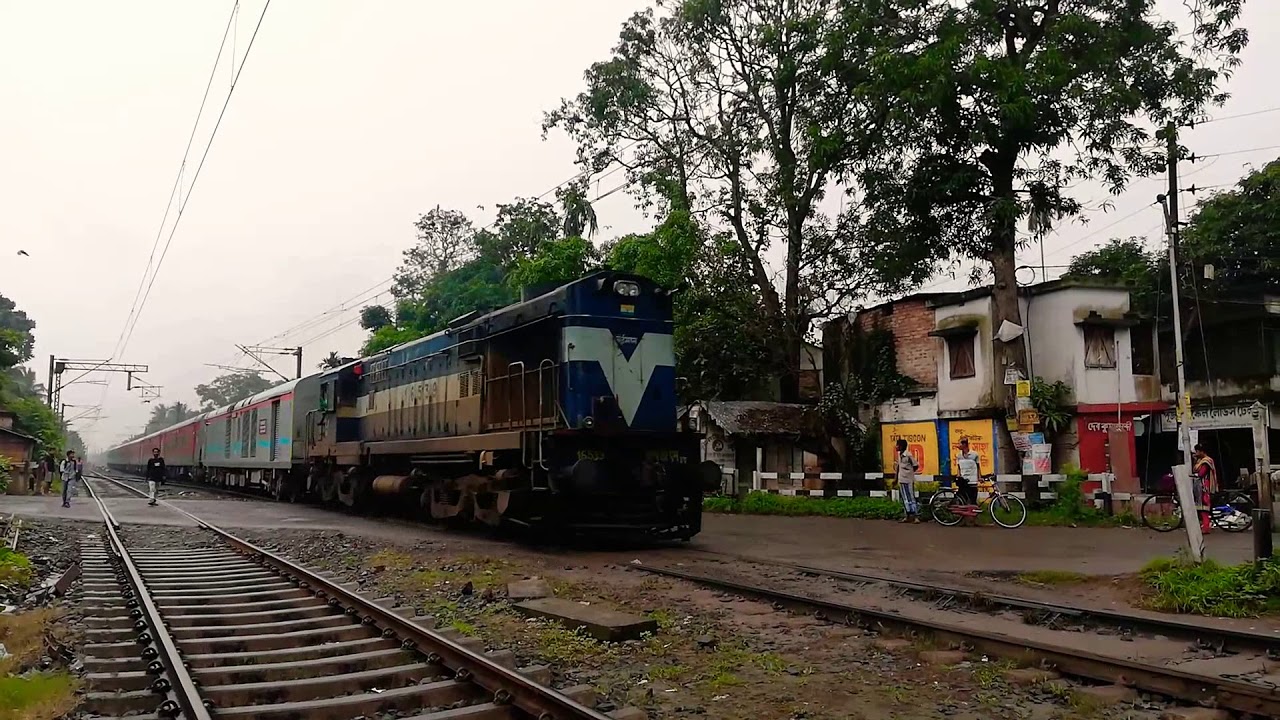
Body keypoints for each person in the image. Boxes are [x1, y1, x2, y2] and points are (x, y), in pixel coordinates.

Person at [1193, 444, 1218, 534]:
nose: (1196, 453)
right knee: (1202, 507)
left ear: (1202, 452)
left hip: (1204, 486)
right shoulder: (1200, 461)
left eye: (1197, 451)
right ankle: (1205, 525)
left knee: (1204, 507)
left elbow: (1201, 473)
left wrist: (1194, 475)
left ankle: (1206, 527)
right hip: (1200, 485)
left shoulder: (1207, 461)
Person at [895, 438, 921, 523]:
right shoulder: (899, 455)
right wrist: (895, 479)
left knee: (911, 498)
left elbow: (915, 465)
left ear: (901, 446)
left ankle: (916, 516)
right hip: (901, 479)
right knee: (904, 498)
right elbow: (898, 467)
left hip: (908, 480)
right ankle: (907, 516)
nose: (896, 447)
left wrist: (909, 473)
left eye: (897, 445)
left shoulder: (908, 455)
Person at [954, 437, 982, 505]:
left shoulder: (974, 454)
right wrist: (958, 475)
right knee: (962, 499)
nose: (958, 446)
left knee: (973, 499)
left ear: (964, 444)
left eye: (959, 444)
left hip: (972, 480)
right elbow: (959, 467)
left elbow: (978, 466)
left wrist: (979, 477)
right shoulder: (958, 455)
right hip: (963, 481)